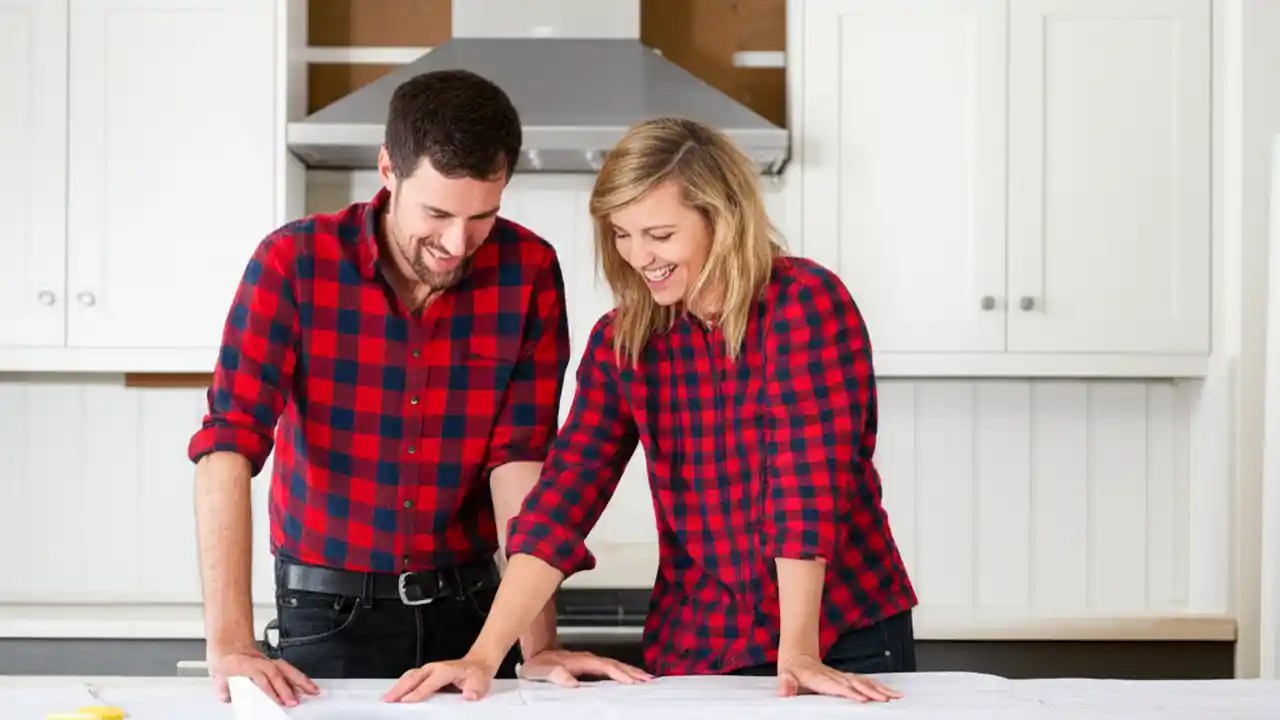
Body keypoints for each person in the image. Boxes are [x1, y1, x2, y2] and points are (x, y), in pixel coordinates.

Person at [379, 117, 920, 705]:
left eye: (659, 234)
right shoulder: (625, 340)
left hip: (840, 635)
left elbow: (804, 487)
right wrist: (485, 656)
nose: (639, 256)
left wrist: (798, 652)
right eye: (622, 234)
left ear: (722, 218)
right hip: (698, 642)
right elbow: (563, 498)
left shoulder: (804, 304)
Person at [186, 69, 647, 707]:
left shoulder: (528, 271)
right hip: (328, 614)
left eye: (482, 216)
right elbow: (228, 446)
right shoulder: (294, 263)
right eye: (437, 213)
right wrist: (231, 640)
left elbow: (519, 463)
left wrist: (536, 644)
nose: (458, 243)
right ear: (388, 170)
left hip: (473, 609)